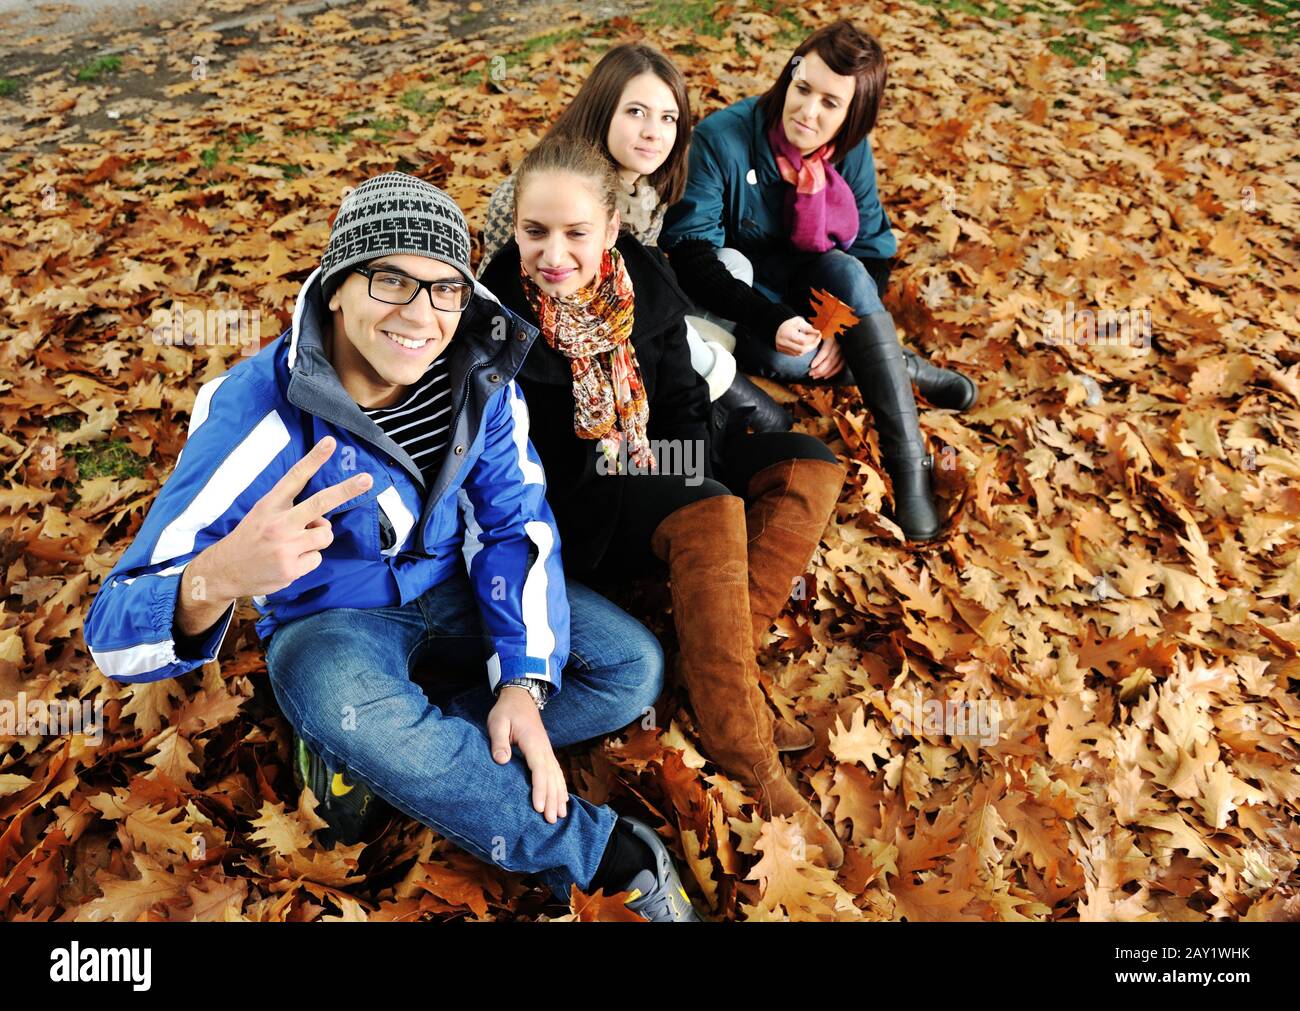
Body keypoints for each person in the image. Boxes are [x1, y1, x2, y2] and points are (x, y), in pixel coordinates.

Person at [82, 172, 700, 921]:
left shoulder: (480, 374)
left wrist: (523, 682)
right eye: (390, 280)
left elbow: (513, 524)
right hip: (335, 623)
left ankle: (384, 753)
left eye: (445, 289)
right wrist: (211, 579)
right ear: (337, 286)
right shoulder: (256, 413)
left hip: (458, 588)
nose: (422, 314)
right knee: (343, 696)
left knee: (629, 668)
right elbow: (111, 634)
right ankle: (602, 855)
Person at [479, 135, 849, 869]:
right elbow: (523, 469)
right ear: (514, 225)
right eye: (536, 231)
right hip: (580, 495)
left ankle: (722, 677)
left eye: (576, 233)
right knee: (709, 507)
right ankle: (742, 746)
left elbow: (681, 392)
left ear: (611, 230)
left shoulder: (642, 275)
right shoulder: (497, 318)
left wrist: (686, 463)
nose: (554, 253)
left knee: (809, 465)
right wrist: (682, 481)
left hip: (657, 453)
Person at [659, 19, 979, 542]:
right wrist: (778, 320)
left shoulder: (849, 153)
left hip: (819, 289)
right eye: (802, 88)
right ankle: (902, 368)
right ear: (789, 77)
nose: (807, 112)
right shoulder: (723, 139)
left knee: (850, 270)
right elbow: (693, 255)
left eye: (830, 103)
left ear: (853, 115)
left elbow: (875, 253)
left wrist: (837, 329)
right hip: (748, 302)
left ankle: (909, 468)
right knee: (794, 360)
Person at [477, 40, 792, 435]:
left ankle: (706, 391)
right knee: (681, 337)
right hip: (559, 335)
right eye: (636, 112)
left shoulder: (646, 190)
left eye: (667, 118)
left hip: (626, 307)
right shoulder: (547, 190)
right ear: (603, 110)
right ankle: (734, 401)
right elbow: (501, 294)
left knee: (732, 264)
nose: (653, 133)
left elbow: (648, 281)